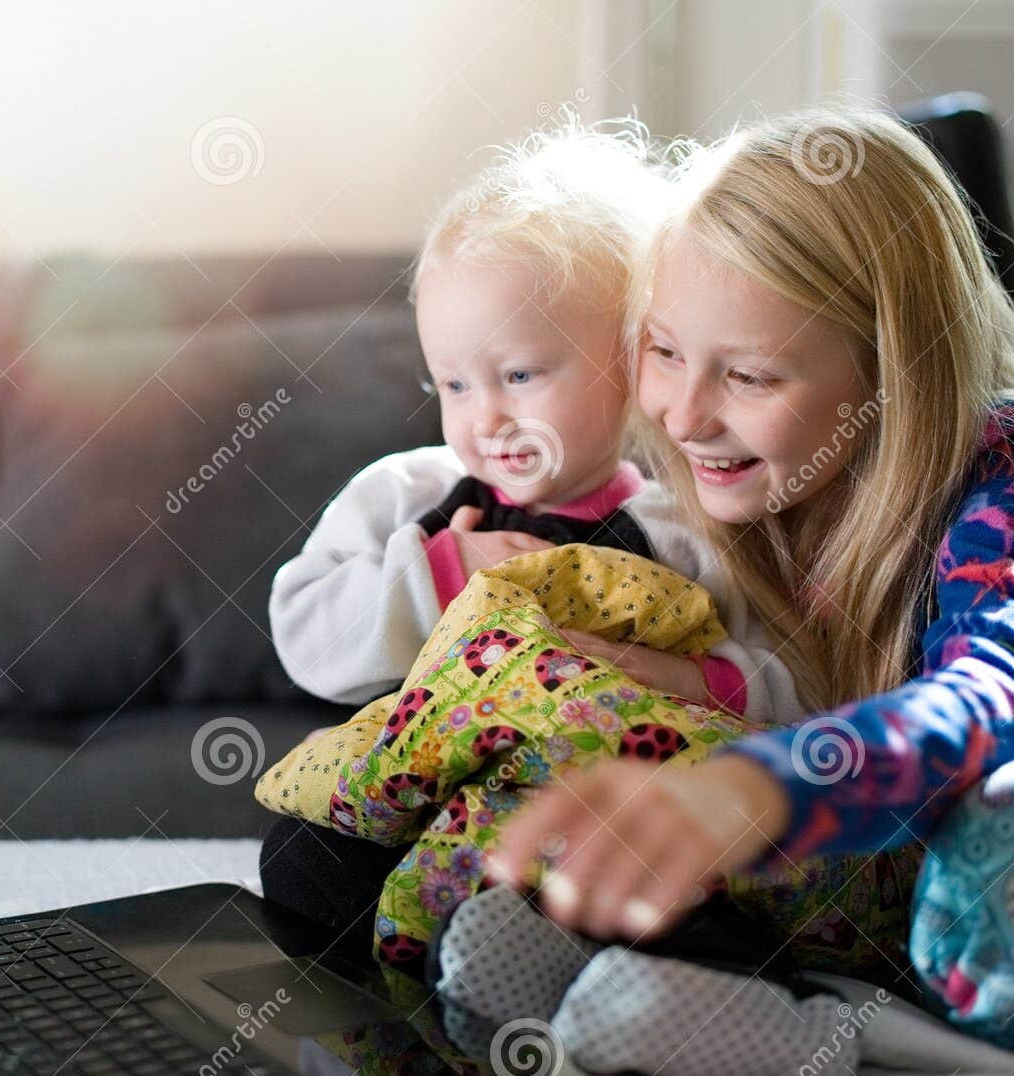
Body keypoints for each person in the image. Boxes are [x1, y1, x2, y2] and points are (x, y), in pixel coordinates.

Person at [487, 105, 1014, 1064]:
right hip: (884, 883)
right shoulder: (750, 487)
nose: (683, 414)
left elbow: (993, 699)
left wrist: (754, 791)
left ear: (894, 371)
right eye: (664, 350)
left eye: (753, 377)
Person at [260, 122, 808, 939]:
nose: (486, 416)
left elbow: (791, 682)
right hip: (426, 798)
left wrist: (702, 682)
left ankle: (559, 967)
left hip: (598, 815)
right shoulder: (408, 495)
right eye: (453, 382)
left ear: (629, 363)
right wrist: (440, 572)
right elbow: (303, 630)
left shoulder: (686, 522)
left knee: (698, 900)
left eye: (520, 374)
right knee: (299, 860)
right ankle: (465, 955)